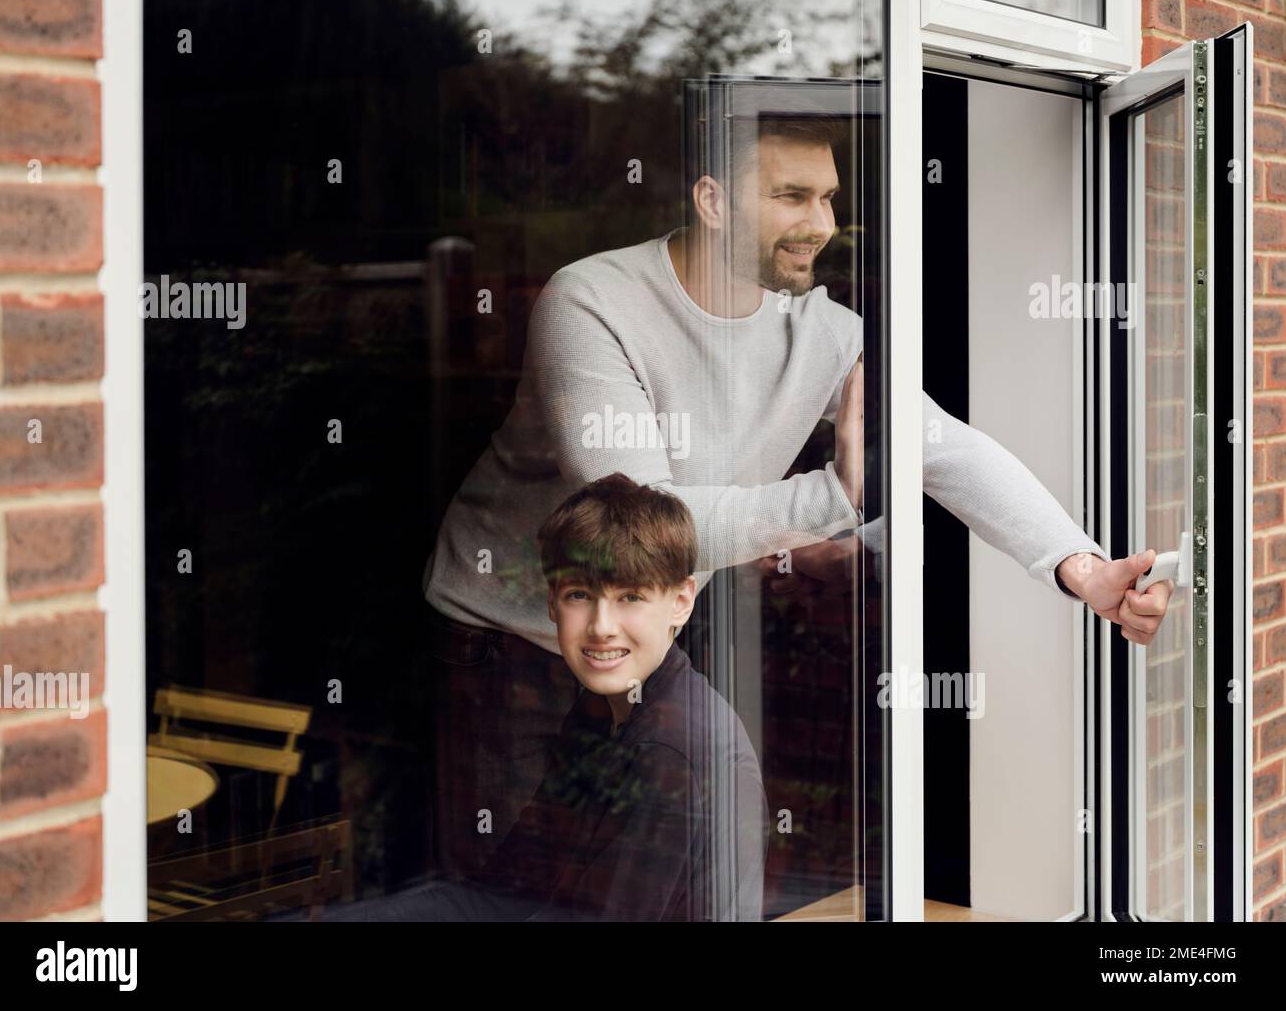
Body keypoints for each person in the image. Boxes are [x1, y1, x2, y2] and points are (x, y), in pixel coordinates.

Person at [420, 111, 1175, 880]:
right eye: (792, 196)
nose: (822, 224)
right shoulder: (592, 302)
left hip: (637, 653)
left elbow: (948, 450)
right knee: (503, 891)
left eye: (830, 198)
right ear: (713, 202)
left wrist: (1080, 568)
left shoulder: (825, 334)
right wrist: (834, 496)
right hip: (503, 641)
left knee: (634, 884)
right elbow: (633, 536)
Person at [277, 474, 766, 921]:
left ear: (681, 601)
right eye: (579, 595)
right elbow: (505, 893)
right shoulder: (604, 711)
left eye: (630, 597)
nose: (600, 626)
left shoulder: (670, 751)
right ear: (552, 601)